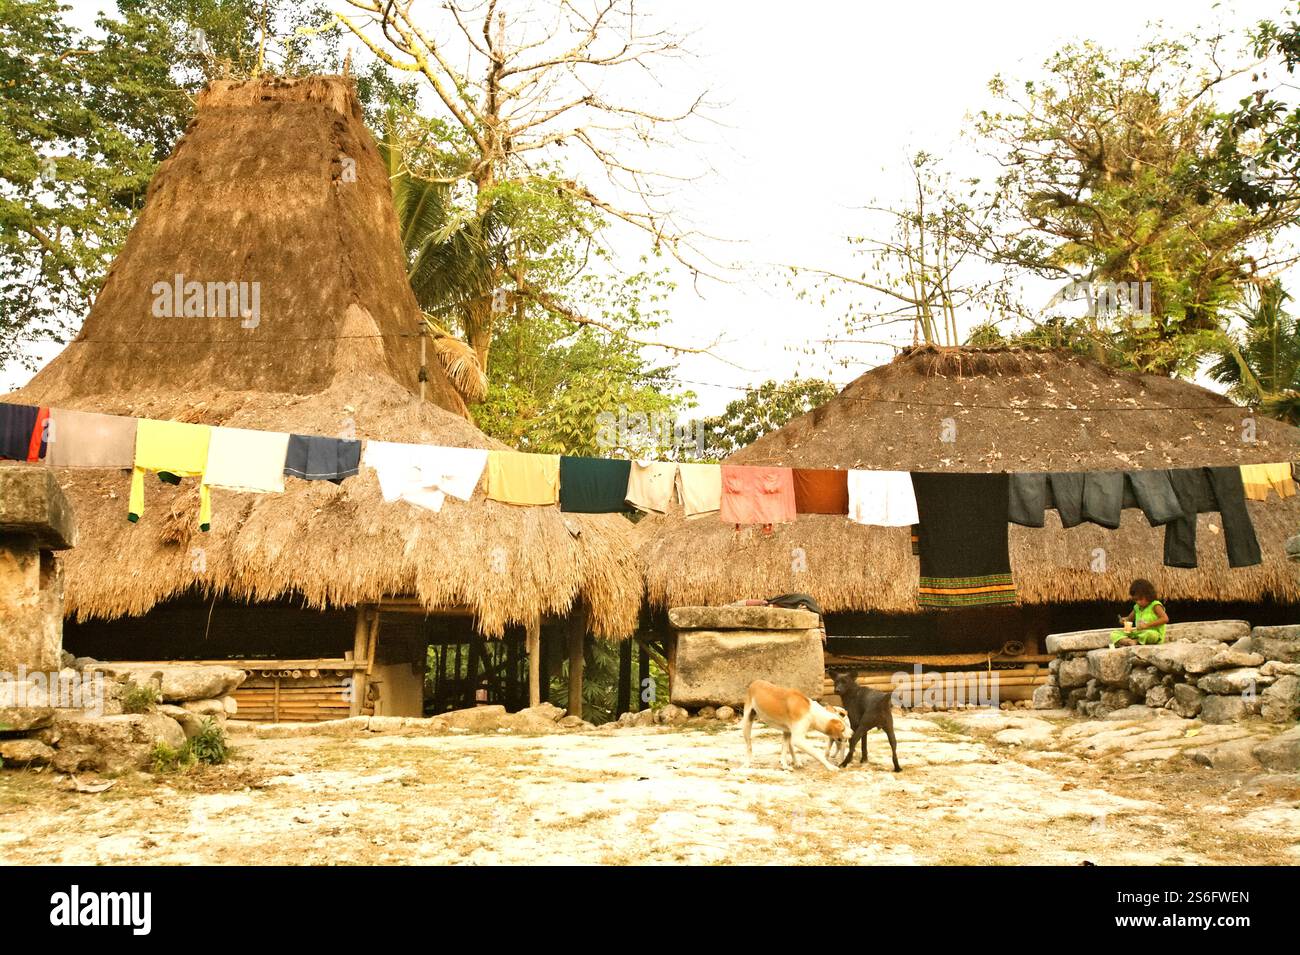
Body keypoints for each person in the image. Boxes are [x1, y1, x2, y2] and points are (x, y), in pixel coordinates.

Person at [1110, 579, 1168, 647]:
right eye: (1135, 600)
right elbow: (1129, 619)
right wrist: (1123, 620)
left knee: (1150, 634)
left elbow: (1165, 619)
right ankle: (1129, 641)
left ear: (1148, 595)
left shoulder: (1155, 605)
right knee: (1114, 633)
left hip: (1154, 633)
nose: (1138, 602)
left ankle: (1134, 641)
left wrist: (1147, 625)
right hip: (1139, 633)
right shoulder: (1136, 608)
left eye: (1140, 599)